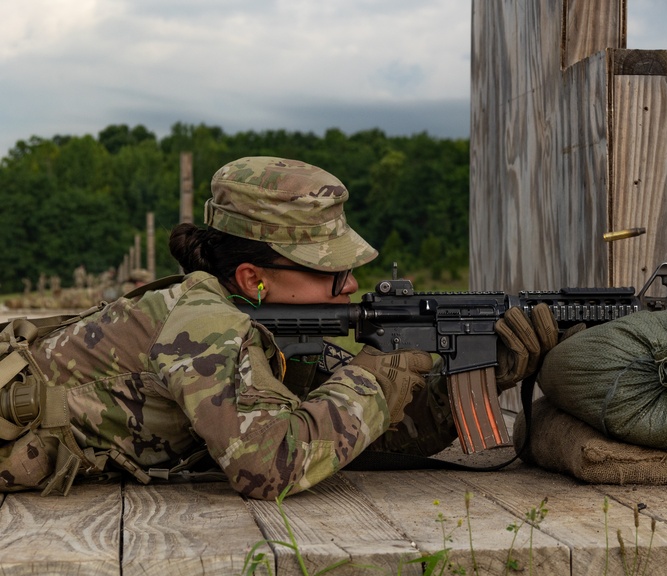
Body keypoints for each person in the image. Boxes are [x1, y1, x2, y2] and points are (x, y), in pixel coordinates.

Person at [0, 156, 556, 499]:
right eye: (330, 271)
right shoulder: (206, 322)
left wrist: (482, 368)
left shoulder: (253, 322)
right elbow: (269, 466)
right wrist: (377, 372)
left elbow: (361, 439)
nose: (347, 286)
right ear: (252, 276)